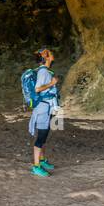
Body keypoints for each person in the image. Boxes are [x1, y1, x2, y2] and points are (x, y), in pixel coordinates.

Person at [28, 48, 60, 177]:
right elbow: (37, 89)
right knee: (41, 137)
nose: (53, 54)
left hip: (48, 107)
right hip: (43, 109)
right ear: (46, 57)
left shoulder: (45, 71)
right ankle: (36, 166)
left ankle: (42, 160)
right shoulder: (43, 72)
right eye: (50, 53)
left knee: (44, 135)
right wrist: (52, 83)